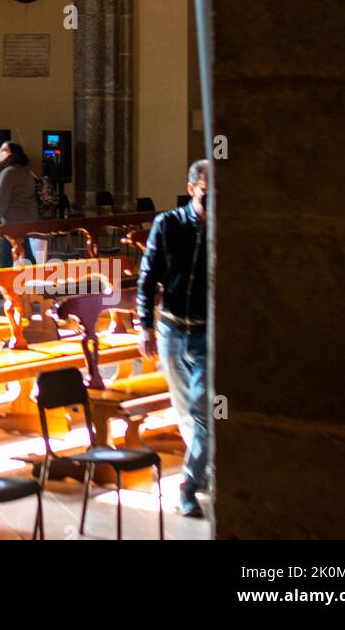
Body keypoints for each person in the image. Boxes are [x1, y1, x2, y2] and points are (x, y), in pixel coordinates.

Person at [138, 158, 210, 518]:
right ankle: (203, 469)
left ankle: (189, 485)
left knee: (203, 414)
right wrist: (144, 324)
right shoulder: (168, 224)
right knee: (184, 410)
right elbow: (148, 275)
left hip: (206, 333)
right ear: (193, 188)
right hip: (170, 328)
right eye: (208, 192)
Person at [0, 140, 39, 266]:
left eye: (4, 150)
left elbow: (1, 199)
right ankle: (35, 278)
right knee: (26, 252)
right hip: (29, 219)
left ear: (12, 154)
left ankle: (4, 282)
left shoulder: (8, 173)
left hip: (13, 221)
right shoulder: (27, 171)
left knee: (7, 257)